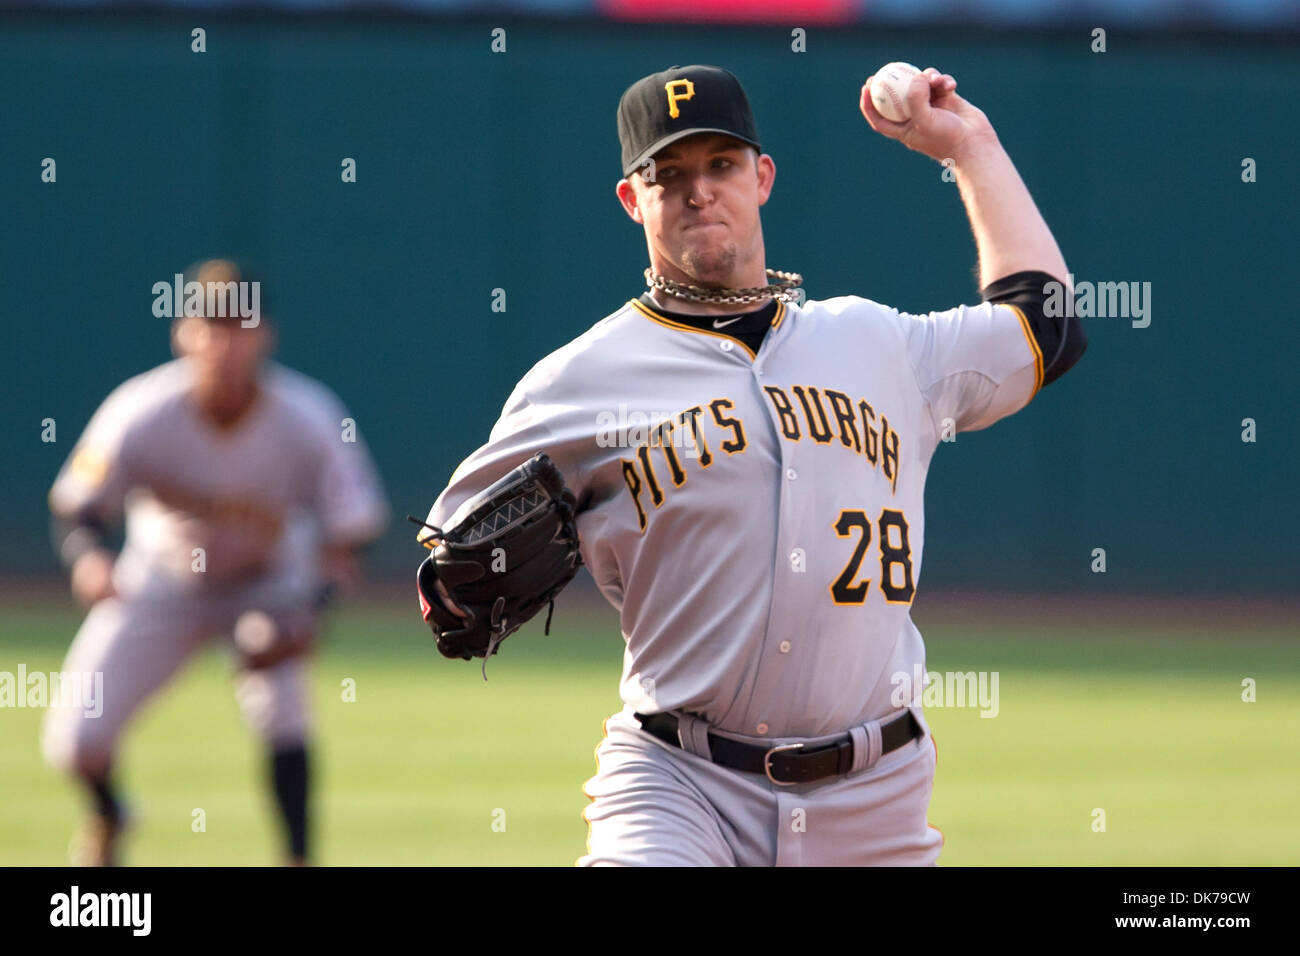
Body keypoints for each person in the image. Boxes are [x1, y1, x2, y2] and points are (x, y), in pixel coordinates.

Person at [418, 64, 1086, 865]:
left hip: (876, 795)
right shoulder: (578, 382)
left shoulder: (879, 343)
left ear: (762, 177)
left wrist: (970, 146)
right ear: (633, 200)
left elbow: (1045, 327)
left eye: (721, 165)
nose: (699, 190)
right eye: (669, 174)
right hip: (677, 782)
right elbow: (451, 568)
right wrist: (456, 586)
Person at [45, 259, 389, 865]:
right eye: (211, 326)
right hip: (160, 584)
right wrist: (88, 559)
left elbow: (353, 530)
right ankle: (109, 812)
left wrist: (312, 611)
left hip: (267, 583)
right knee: (75, 742)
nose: (225, 342)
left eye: (240, 326)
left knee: (285, 712)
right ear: (184, 333)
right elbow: (78, 505)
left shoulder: (307, 414)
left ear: (265, 335)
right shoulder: (143, 408)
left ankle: (298, 857)